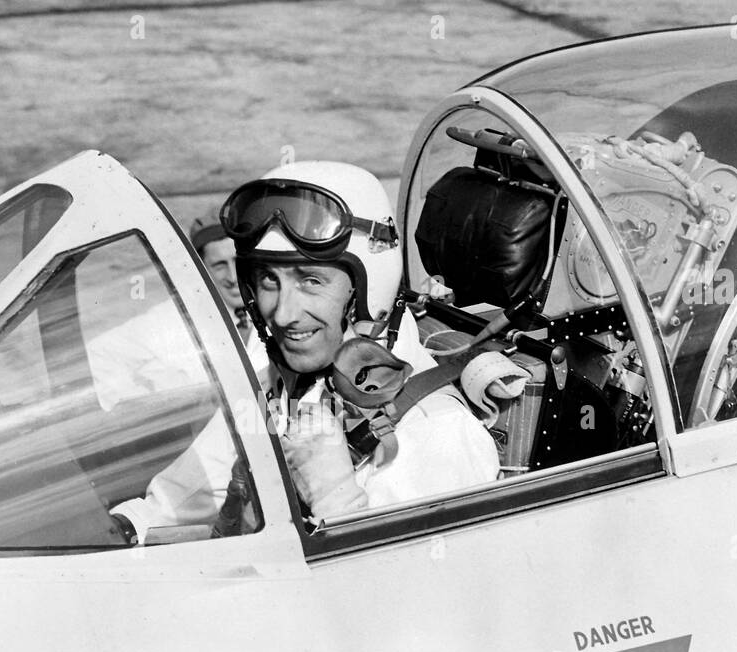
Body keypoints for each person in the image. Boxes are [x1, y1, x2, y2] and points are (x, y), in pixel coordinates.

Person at [112, 161, 499, 542]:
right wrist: (126, 530)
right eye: (268, 279)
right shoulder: (285, 384)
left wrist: (339, 504)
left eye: (311, 281)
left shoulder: (436, 431)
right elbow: (183, 498)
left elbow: (420, 593)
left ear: (364, 290)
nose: (283, 313)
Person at [188, 209, 250, 339]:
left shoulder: (277, 309)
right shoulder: (189, 323)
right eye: (220, 265)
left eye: (238, 261)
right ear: (202, 269)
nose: (233, 277)